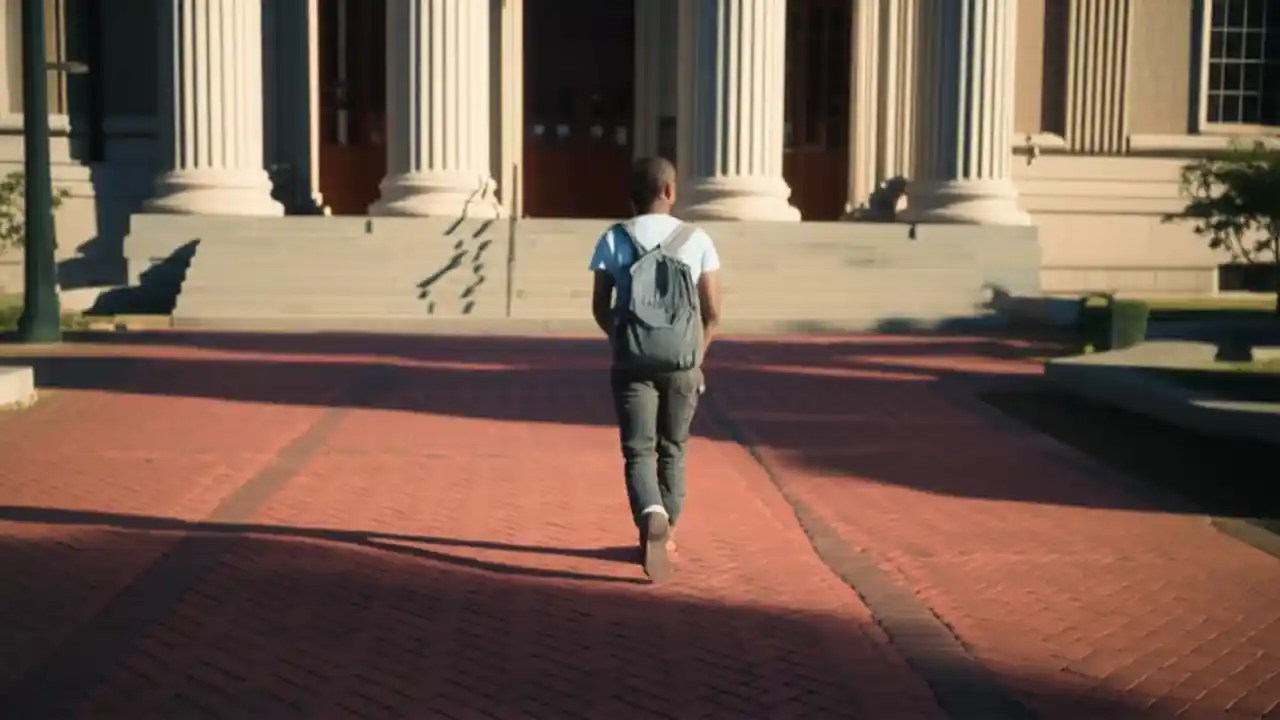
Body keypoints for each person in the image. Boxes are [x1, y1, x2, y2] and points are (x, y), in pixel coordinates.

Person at [588, 157, 722, 582]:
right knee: (674, 447)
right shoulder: (697, 238)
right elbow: (712, 311)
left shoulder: (614, 239)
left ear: (632, 194)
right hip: (683, 361)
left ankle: (650, 513)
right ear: (669, 191)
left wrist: (624, 341)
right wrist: (695, 354)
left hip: (632, 361)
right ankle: (669, 530)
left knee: (638, 449)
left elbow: (599, 306)